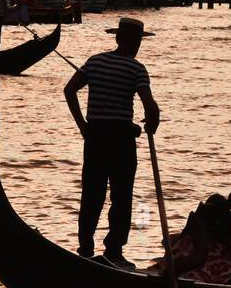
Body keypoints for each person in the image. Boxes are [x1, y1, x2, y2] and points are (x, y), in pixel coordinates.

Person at [64, 17, 161, 270]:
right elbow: (149, 103)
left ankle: (85, 248)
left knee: (92, 194)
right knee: (121, 195)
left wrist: (83, 126)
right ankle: (114, 251)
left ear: (118, 38)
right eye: (137, 41)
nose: (137, 45)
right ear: (133, 41)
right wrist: (152, 121)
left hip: (95, 136)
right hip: (120, 139)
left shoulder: (95, 62)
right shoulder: (136, 69)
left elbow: (69, 90)